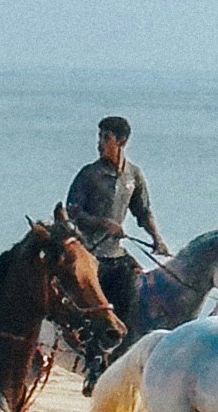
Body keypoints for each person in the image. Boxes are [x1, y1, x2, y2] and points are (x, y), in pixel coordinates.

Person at [64, 114, 164, 338]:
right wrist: (103, 223)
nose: (99, 143)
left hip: (115, 254)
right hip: (89, 252)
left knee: (138, 292)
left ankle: (127, 343)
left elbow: (143, 211)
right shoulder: (89, 174)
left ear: (122, 141)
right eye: (99, 137)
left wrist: (157, 238)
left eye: (105, 137)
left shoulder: (133, 175)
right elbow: (73, 211)